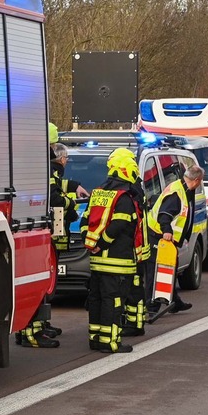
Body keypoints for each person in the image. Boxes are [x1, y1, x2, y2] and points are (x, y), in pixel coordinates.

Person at [16, 126, 80, 348]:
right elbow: (53, 197)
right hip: (41, 232)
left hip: (41, 231)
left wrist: (72, 186)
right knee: (39, 281)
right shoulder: (43, 166)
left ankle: (39, 326)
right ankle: (32, 333)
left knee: (44, 281)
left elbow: (52, 187)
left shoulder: (39, 165)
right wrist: (71, 204)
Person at [83, 147, 144, 354]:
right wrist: (104, 243)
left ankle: (96, 339)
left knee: (96, 299)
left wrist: (91, 243)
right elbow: (118, 226)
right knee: (113, 301)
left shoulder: (98, 193)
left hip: (96, 261)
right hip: (117, 262)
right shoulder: (124, 198)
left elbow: (86, 220)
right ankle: (110, 342)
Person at [145, 164, 203, 320]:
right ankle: (151, 306)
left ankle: (174, 301)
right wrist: (167, 231)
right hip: (159, 235)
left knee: (171, 268)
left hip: (167, 239)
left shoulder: (184, 188)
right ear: (197, 180)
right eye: (201, 181)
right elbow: (164, 214)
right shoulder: (177, 193)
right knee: (155, 270)